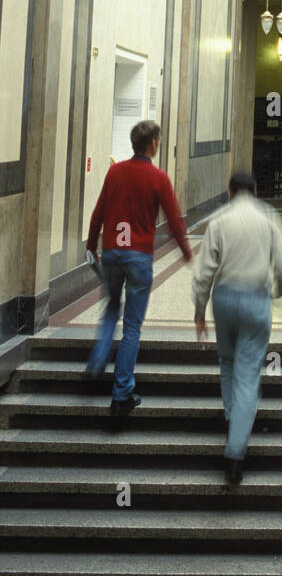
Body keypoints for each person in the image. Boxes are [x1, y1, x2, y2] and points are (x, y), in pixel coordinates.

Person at [192, 171, 282, 487]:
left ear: (229, 190)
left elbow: (203, 272)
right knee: (248, 373)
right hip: (255, 300)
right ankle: (235, 455)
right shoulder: (268, 217)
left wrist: (199, 311)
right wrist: (275, 294)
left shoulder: (219, 219)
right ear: (255, 189)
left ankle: (233, 420)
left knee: (227, 362)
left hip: (223, 299)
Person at [85, 120, 194, 414]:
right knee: (132, 327)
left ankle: (97, 362)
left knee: (110, 308)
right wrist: (187, 253)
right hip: (138, 257)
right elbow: (174, 220)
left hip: (111, 253)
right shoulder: (158, 178)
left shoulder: (115, 171)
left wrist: (90, 244)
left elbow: (99, 212)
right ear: (154, 144)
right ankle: (121, 394)